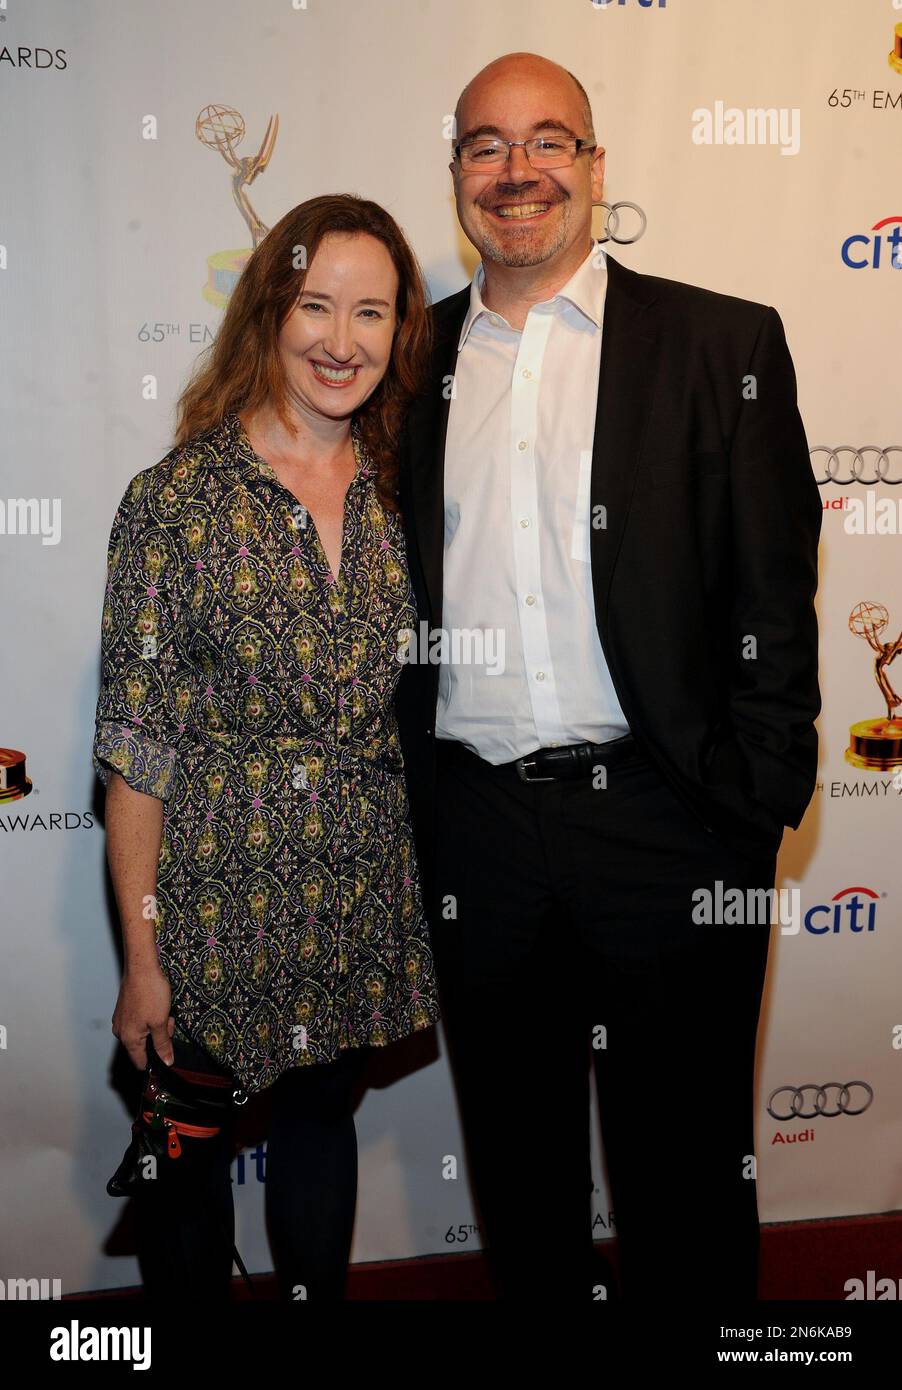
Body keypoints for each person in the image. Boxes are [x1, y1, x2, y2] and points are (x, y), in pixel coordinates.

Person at [395, 52, 821, 1301]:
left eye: (547, 141)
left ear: (591, 167)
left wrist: (744, 810)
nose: (515, 170)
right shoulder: (404, 367)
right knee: (522, 1190)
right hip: (476, 833)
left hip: (668, 826)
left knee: (685, 1182)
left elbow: (771, 595)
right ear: (457, 174)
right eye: (485, 144)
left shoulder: (719, 342)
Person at [94, 194, 439, 1300]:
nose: (341, 341)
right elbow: (136, 747)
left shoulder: (409, 495)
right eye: (315, 306)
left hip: (355, 886)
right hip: (207, 903)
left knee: (315, 1131)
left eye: (372, 312)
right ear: (267, 313)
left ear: (400, 331)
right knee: (186, 1170)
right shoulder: (176, 502)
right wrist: (142, 960)